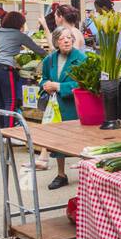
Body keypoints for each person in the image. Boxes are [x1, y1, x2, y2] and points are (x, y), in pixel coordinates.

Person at [39, 27, 87, 190]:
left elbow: (84, 83)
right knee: (58, 140)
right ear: (56, 42)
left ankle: (85, 174)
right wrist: (45, 85)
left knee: (80, 140)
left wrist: (60, 86)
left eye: (69, 38)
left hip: (75, 104)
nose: (66, 41)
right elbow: (44, 78)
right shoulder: (50, 60)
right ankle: (61, 174)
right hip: (56, 105)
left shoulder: (81, 58)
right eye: (62, 38)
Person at [0, 11, 45, 120]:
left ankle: (1, 132)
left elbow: (2, 46)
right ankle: (9, 134)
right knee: (10, 102)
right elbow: (39, 51)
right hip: (4, 70)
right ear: (19, 24)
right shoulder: (19, 35)